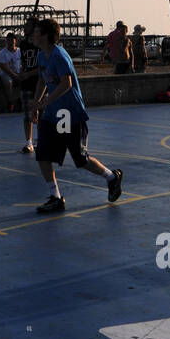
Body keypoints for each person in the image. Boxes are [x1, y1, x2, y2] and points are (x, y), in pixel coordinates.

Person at [29, 18, 124, 214]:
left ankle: (112, 177)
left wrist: (45, 102)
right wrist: (37, 105)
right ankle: (55, 197)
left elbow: (67, 84)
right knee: (43, 154)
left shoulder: (59, 56)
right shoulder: (41, 56)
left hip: (68, 114)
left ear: (46, 35)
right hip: (52, 114)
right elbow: (42, 80)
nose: (33, 35)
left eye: (36, 32)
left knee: (80, 159)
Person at [18, 18, 41, 154]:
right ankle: (29, 142)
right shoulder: (23, 44)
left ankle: (40, 139)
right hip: (26, 83)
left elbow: (43, 67)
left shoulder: (39, 45)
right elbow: (23, 61)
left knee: (40, 114)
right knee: (27, 114)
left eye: (27, 25)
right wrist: (22, 72)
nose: (24, 27)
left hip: (38, 82)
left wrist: (29, 74)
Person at [0, 33, 22, 112]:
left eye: (12, 42)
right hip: (6, 73)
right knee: (8, 82)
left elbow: (23, 63)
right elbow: (2, 66)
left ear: (15, 41)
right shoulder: (2, 52)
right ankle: (11, 102)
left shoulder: (19, 51)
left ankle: (21, 100)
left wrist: (20, 74)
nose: (10, 43)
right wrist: (13, 75)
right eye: (8, 41)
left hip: (18, 72)